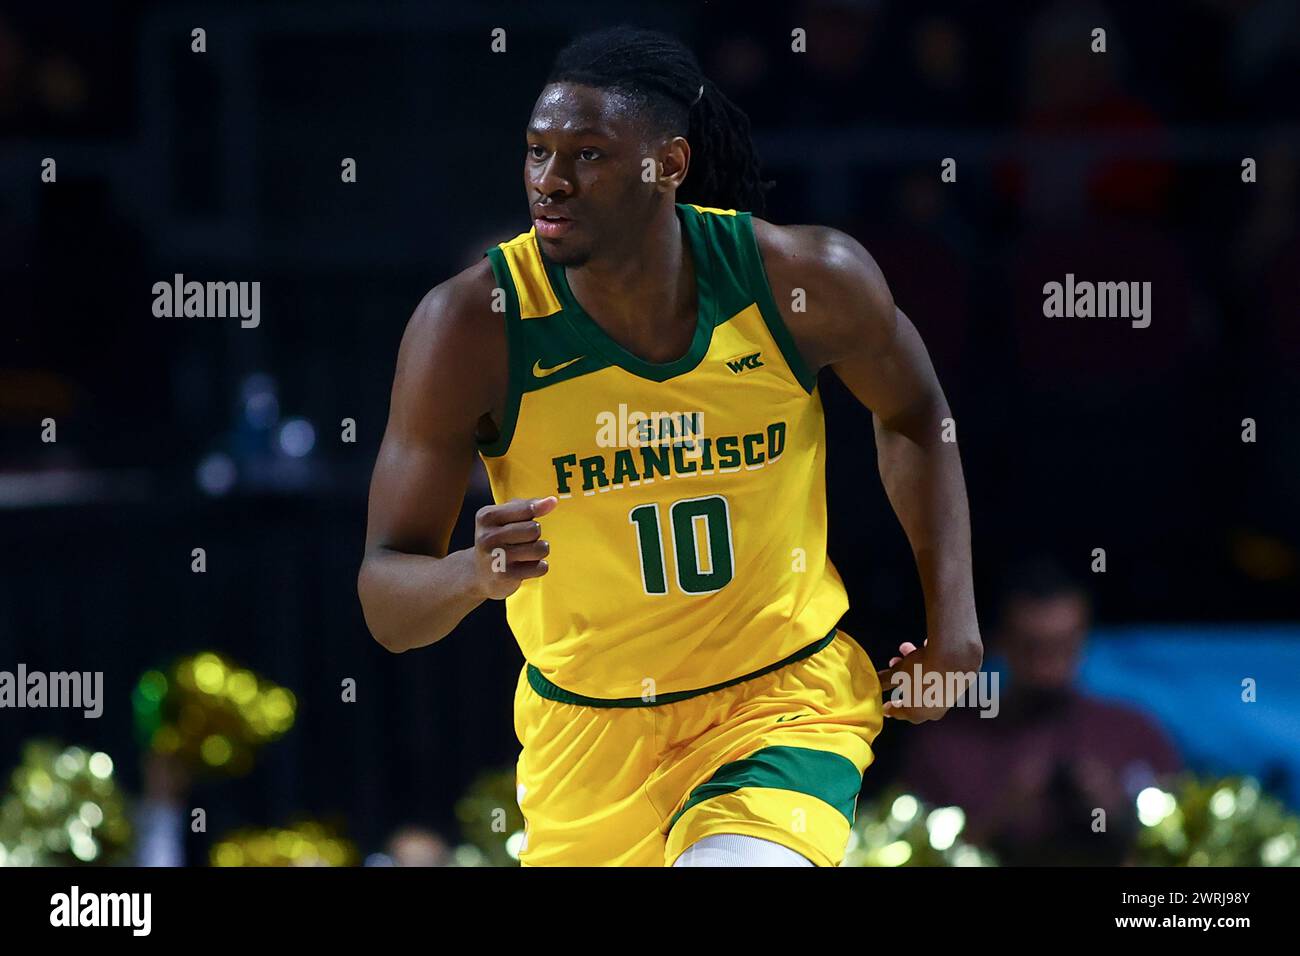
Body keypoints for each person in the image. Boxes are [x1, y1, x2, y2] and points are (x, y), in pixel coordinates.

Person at [358, 26, 980, 867]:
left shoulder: (799, 280)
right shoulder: (470, 327)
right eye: (537, 152)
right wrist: (472, 573)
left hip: (781, 700)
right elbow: (385, 602)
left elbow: (916, 414)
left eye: (588, 155)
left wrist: (957, 626)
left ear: (670, 165)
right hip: (585, 740)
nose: (551, 181)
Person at [899, 558, 1182, 865]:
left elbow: (1182, 842)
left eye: (1063, 647)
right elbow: (911, 852)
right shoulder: (944, 745)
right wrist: (1000, 815)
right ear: (998, 641)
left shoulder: (1133, 733)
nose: (1048, 670)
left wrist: (1117, 809)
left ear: (1084, 636)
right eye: (1032, 648)